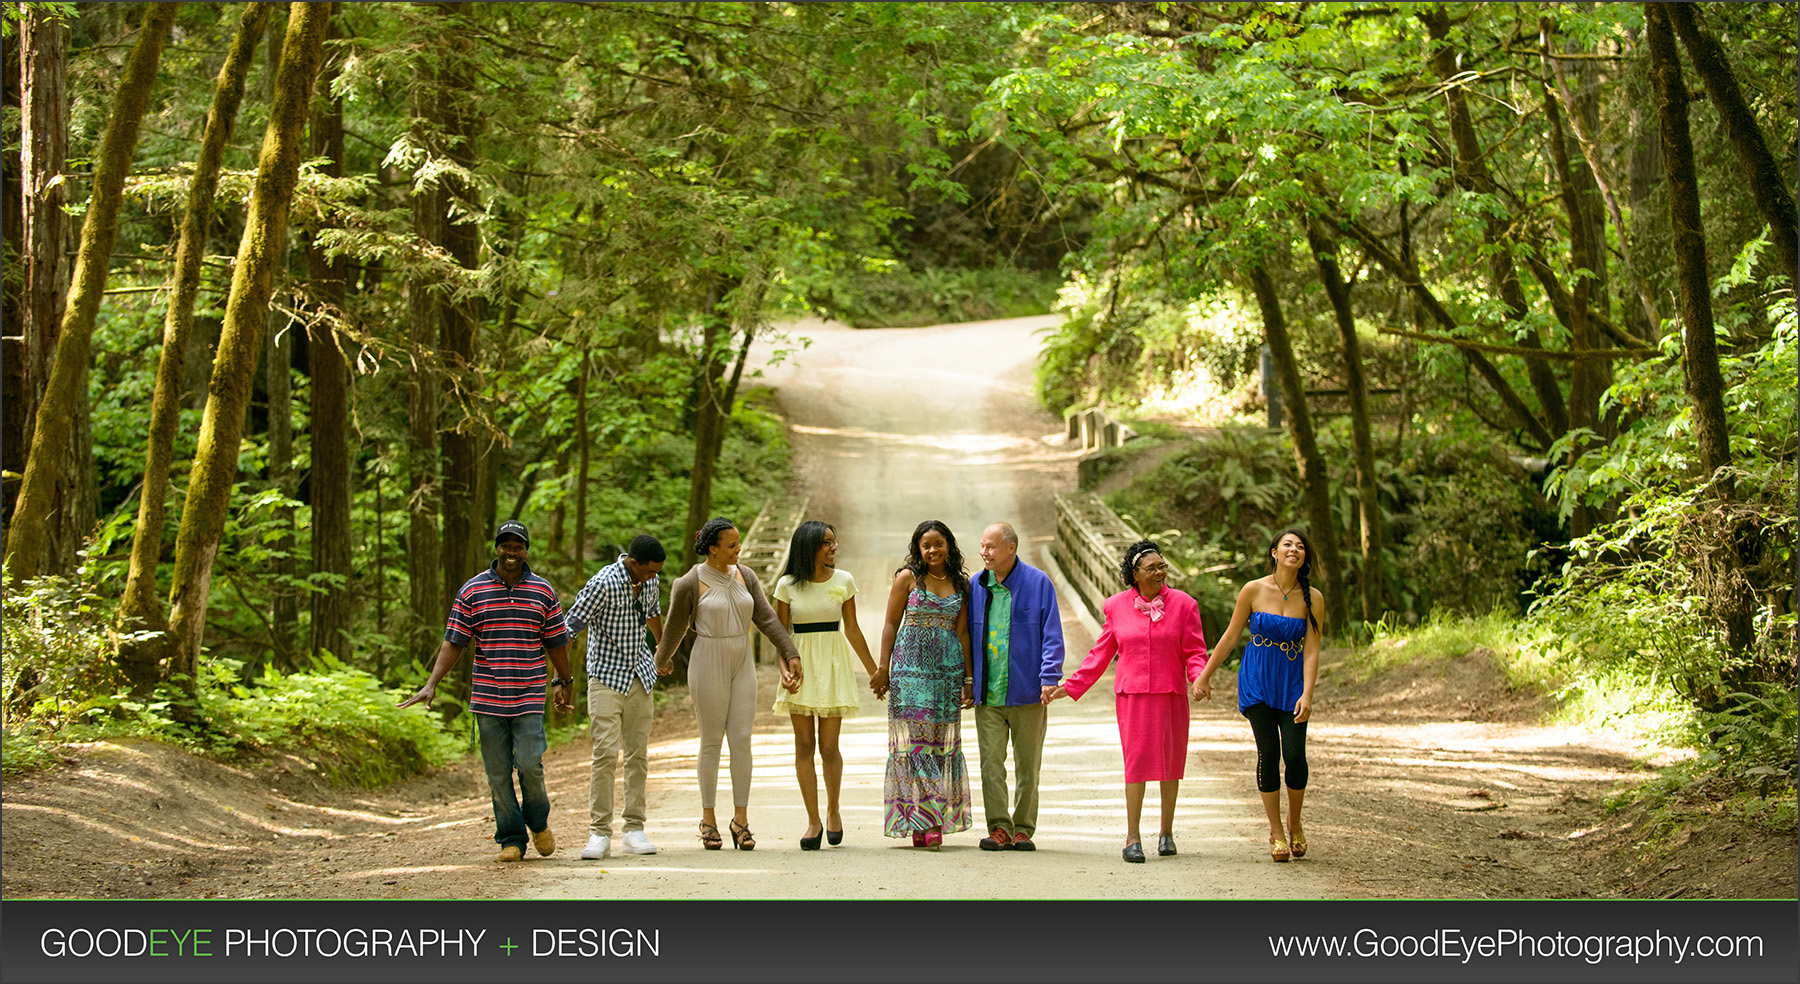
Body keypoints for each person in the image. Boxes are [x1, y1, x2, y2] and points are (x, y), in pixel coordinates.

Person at [398, 520, 574, 862]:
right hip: (488, 697)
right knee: (497, 775)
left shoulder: (543, 591)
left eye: (518, 545)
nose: (511, 551)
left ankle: (537, 822)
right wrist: (431, 684)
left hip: (528, 695)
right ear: (496, 548)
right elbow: (454, 641)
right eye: (505, 545)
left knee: (528, 764)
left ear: (525, 551)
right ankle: (511, 839)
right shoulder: (472, 590)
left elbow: (557, 642)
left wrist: (563, 682)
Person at [1046, 540, 1208, 863]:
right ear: (1135, 574)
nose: (1160, 572)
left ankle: (1166, 832)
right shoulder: (1115, 606)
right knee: (1136, 763)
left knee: (1170, 762)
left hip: (1171, 693)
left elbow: (1194, 651)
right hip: (1132, 696)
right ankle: (1132, 836)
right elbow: (1100, 653)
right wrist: (1071, 685)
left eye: (1163, 566)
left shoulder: (1185, 604)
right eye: (1152, 568)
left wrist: (1199, 678)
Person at [654, 517, 801, 851]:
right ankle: (708, 819)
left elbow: (765, 618)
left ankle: (741, 820)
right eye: (732, 545)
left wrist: (790, 652)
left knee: (742, 738)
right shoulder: (689, 582)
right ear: (713, 548)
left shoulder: (745, 576)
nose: (739, 549)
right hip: (709, 657)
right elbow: (675, 628)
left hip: (741, 656)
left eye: (739, 544)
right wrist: (660, 662)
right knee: (711, 740)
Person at [1194, 527, 1322, 863]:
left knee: (1294, 755)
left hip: (1292, 683)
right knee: (1268, 753)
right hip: (1257, 681)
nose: (1294, 550)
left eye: (1300, 546)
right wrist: (1205, 676)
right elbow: (1231, 635)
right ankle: (1276, 831)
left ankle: (1295, 824)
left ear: (1304, 557)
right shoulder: (1253, 590)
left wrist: (1307, 694)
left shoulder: (1313, 598)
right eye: (1287, 545)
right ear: (1275, 552)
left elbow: (1311, 650)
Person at [772, 521, 879, 850]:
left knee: (829, 747)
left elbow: (853, 629)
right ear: (810, 547)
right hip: (799, 665)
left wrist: (876, 671)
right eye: (827, 543)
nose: (834, 547)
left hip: (832, 666)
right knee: (803, 746)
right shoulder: (787, 585)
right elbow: (779, 635)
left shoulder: (844, 581)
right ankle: (813, 820)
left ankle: (833, 811)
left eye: (835, 542)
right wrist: (784, 670)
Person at [871, 520, 974, 849]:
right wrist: (883, 667)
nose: (933, 550)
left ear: (949, 546)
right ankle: (928, 820)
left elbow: (963, 633)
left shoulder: (961, 583)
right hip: (909, 671)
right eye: (926, 545)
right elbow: (890, 623)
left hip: (946, 673)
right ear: (917, 548)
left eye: (938, 543)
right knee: (916, 746)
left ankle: (927, 816)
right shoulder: (908, 578)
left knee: (937, 745)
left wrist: (968, 679)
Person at [563, 534, 666, 861]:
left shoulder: (650, 581)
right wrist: (562, 679)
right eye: (649, 571)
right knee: (605, 753)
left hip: (641, 675)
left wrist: (662, 651)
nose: (653, 577)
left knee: (638, 754)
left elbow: (653, 613)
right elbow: (568, 628)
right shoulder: (602, 584)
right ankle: (599, 832)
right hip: (606, 677)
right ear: (633, 564)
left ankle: (634, 828)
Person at [966, 522, 1065, 853]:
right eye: (982, 546)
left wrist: (1050, 676)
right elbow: (964, 636)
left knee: (1028, 764)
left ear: (1011, 548)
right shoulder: (975, 586)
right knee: (990, 762)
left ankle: (1023, 828)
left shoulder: (1038, 583)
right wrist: (966, 680)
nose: (984, 552)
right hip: (988, 694)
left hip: (1027, 693)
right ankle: (998, 828)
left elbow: (1052, 633)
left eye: (991, 547)